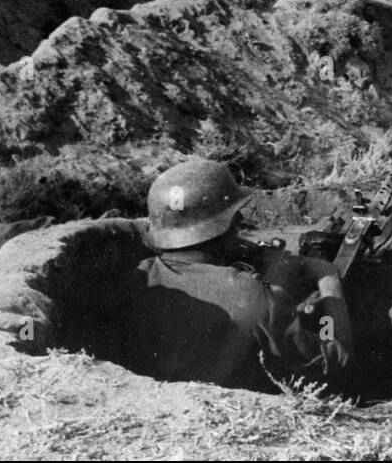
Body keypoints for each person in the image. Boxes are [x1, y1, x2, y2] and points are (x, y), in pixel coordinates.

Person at [123, 158, 353, 391]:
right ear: (217, 226)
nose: (241, 220)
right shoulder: (250, 294)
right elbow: (334, 355)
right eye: (233, 215)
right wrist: (328, 283)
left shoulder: (139, 277)